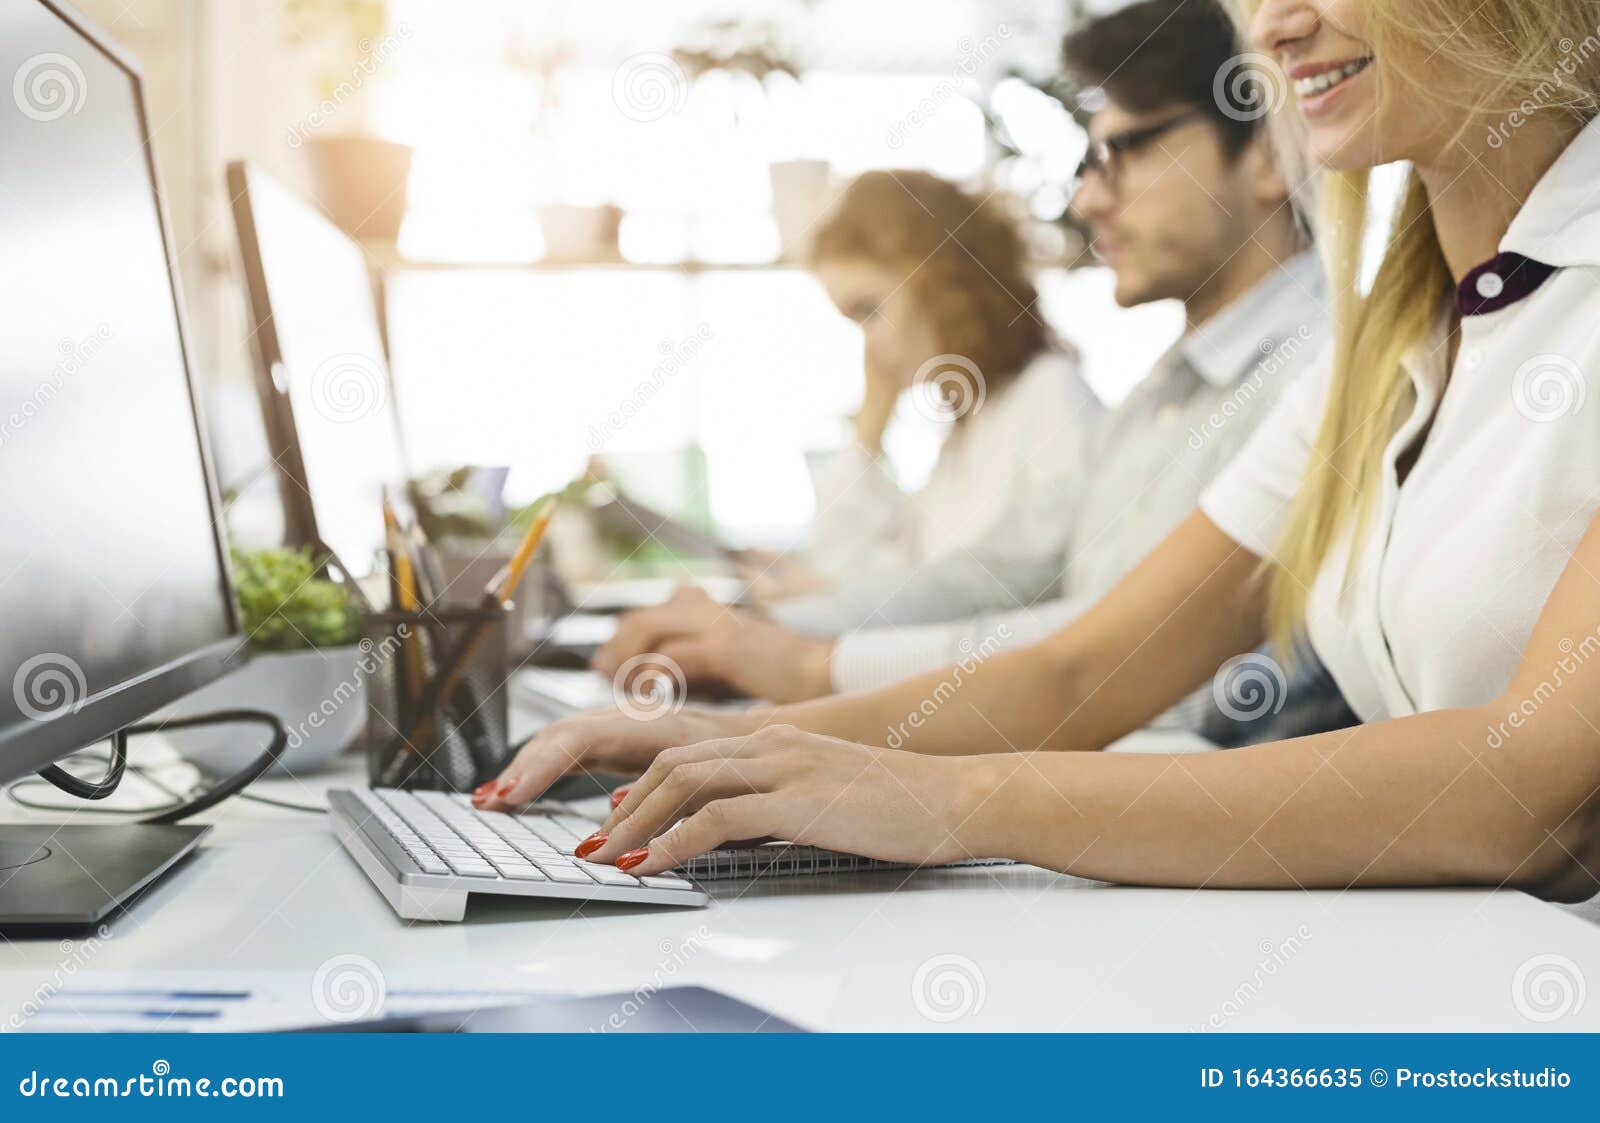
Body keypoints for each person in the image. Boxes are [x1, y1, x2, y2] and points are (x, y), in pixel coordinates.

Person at [480, 0, 1600, 904]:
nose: (1273, 25)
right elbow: (1080, 669)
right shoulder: (1384, 346)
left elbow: (1519, 785)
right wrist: (727, 742)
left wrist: (951, 800)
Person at [593, 0, 1344, 751]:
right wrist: (772, 637)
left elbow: (1137, 669)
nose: (1086, 199)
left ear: (1271, 150)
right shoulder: (1159, 393)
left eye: (1129, 151)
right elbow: (1005, 573)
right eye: (1087, 163)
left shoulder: (1322, 374)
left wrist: (814, 670)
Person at [752, 169, 1100, 600]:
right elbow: (895, 579)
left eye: (869, 310)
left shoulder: (1051, 395)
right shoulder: (965, 429)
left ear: (938, 281)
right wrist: (868, 433)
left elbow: (1006, 591)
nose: (867, 349)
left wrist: (830, 602)